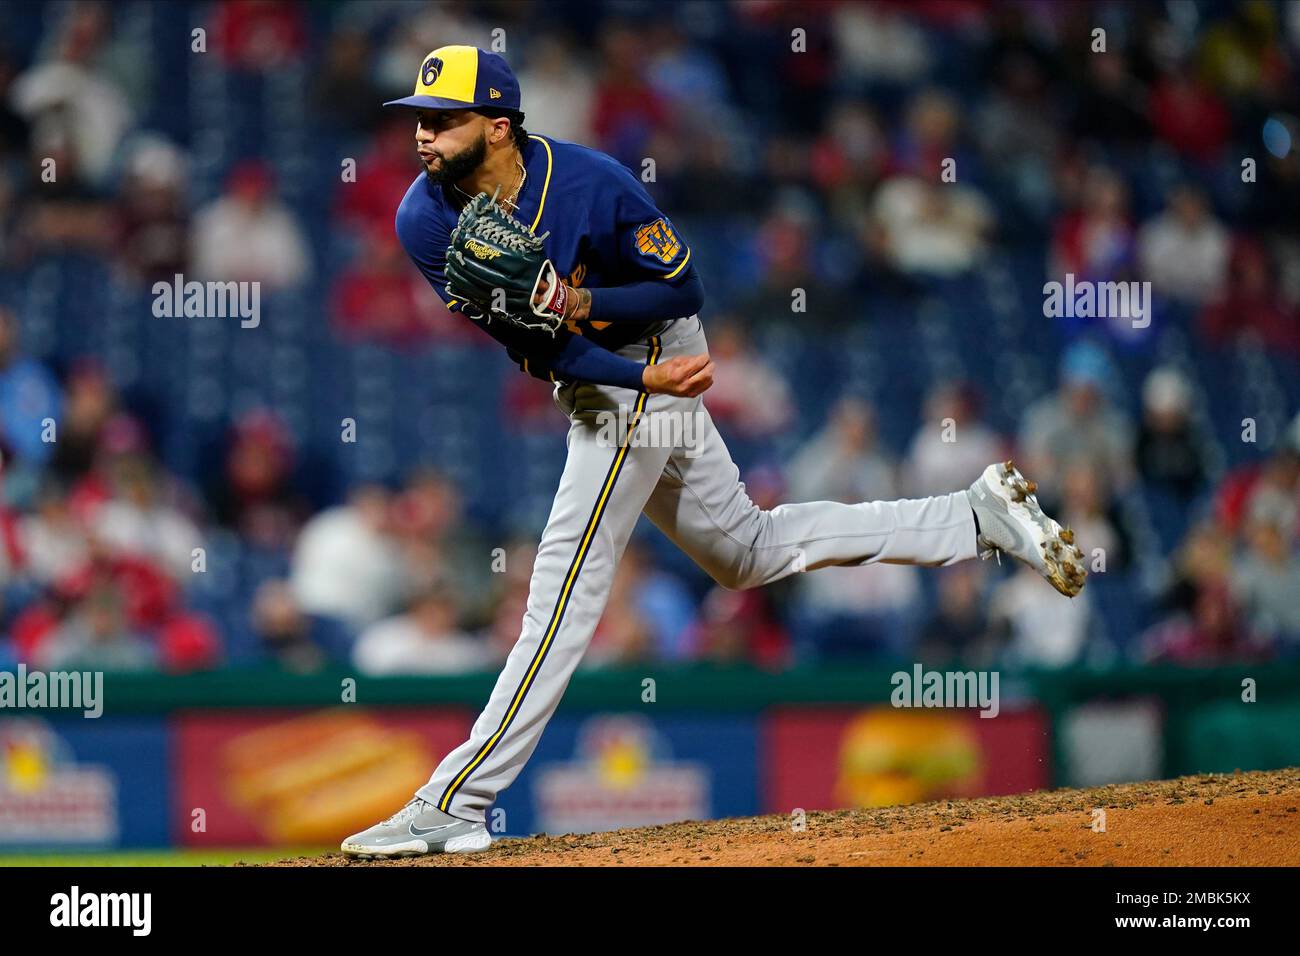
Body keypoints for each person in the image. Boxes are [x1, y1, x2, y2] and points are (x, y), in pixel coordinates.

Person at [341, 47, 1086, 859]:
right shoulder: (424, 220)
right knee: (744, 552)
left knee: (562, 589)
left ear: (497, 124)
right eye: (417, 117)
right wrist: (629, 373)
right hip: (615, 373)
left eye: (442, 119)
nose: (422, 134)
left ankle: (456, 798)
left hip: (659, 343)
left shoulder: (592, 183)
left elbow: (682, 288)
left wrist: (606, 325)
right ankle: (970, 518)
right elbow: (544, 350)